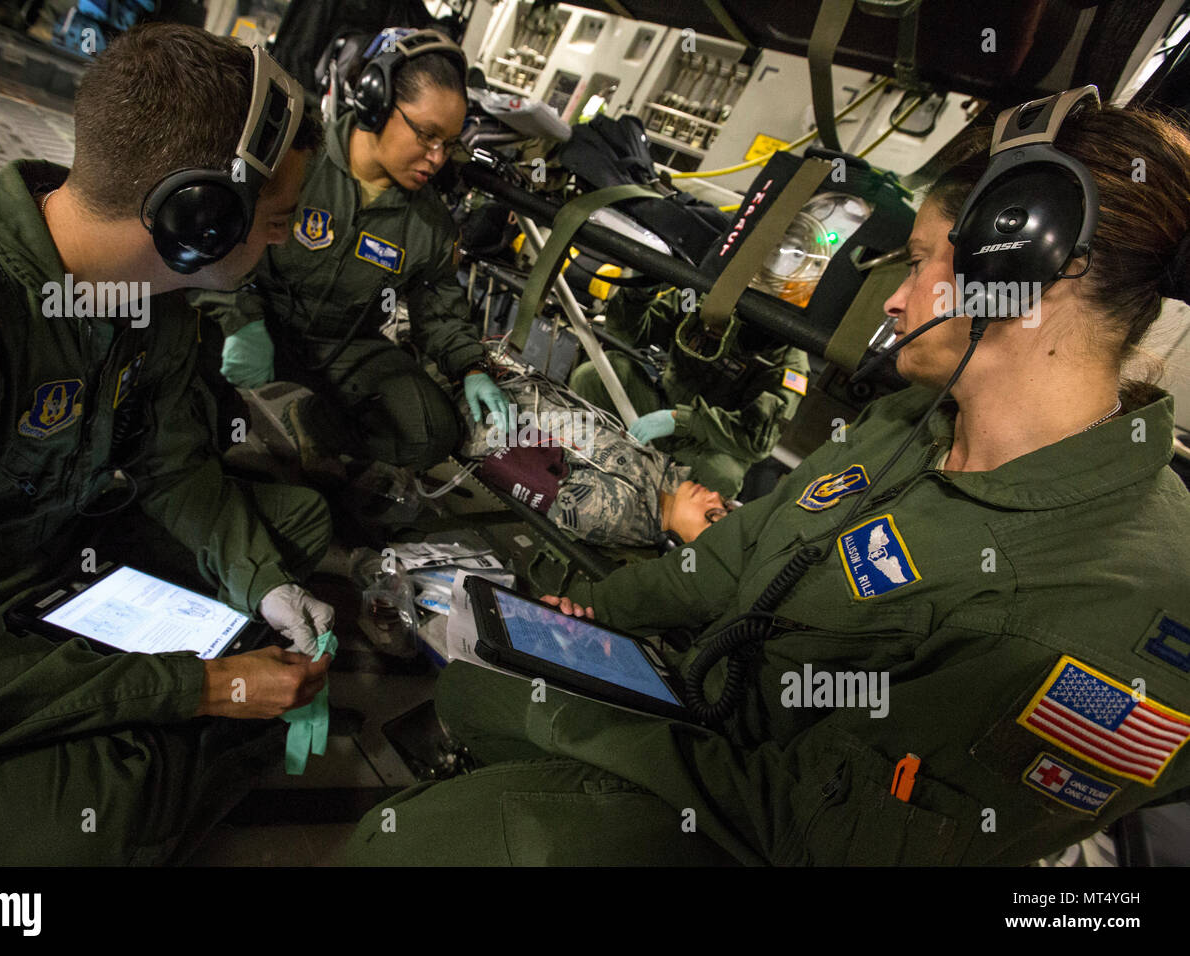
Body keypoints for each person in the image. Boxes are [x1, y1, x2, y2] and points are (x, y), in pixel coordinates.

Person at [344, 97, 1190, 866]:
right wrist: (593, 626)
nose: (894, 303)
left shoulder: (1110, 612)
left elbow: (822, 835)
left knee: (403, 848)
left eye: (922, 261)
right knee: (471, 690)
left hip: (762, 828)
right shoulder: (913, 424)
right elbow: (736, 553)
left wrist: (582, 723)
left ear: (1016, 265)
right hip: (708, 712)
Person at [0, 24, 338, 865]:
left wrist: (266, 585)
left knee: (291, 535)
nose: (283, 239)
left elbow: (174, 466)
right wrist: (195, 687)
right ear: (197, 219)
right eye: (274, 221)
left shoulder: (150, 301)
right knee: (89, 820)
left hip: (50, 568)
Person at [196, 28, 508, 474]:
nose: (437, 158)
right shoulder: (297, 158)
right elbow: (214, 240)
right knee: (183, 348)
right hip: (254, 323)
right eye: (426, 135)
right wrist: (239, 318)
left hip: (338, 347)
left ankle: (311, 428)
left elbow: (438, 310)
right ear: (375, 103)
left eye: (450, 144)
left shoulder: (430, 225)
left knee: (430, 429)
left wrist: (472, 366)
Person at [568, 282, 811, 498]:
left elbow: (756, 440)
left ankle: (656, 533)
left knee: (723, 474)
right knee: (597, 375)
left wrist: (682, 420)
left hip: (705, 446)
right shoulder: (698, 298)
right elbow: (630, 334)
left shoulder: (786, 359)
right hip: (657, 406)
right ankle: (576, 467)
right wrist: (640, 292)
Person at [458, 378, 737, 548]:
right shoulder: (662, 479)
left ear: (692, 543)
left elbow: (525, 467)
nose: (713, 495)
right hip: (511, 389)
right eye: (724, 503)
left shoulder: (615, 511)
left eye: (712, 515)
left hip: (473, 415)